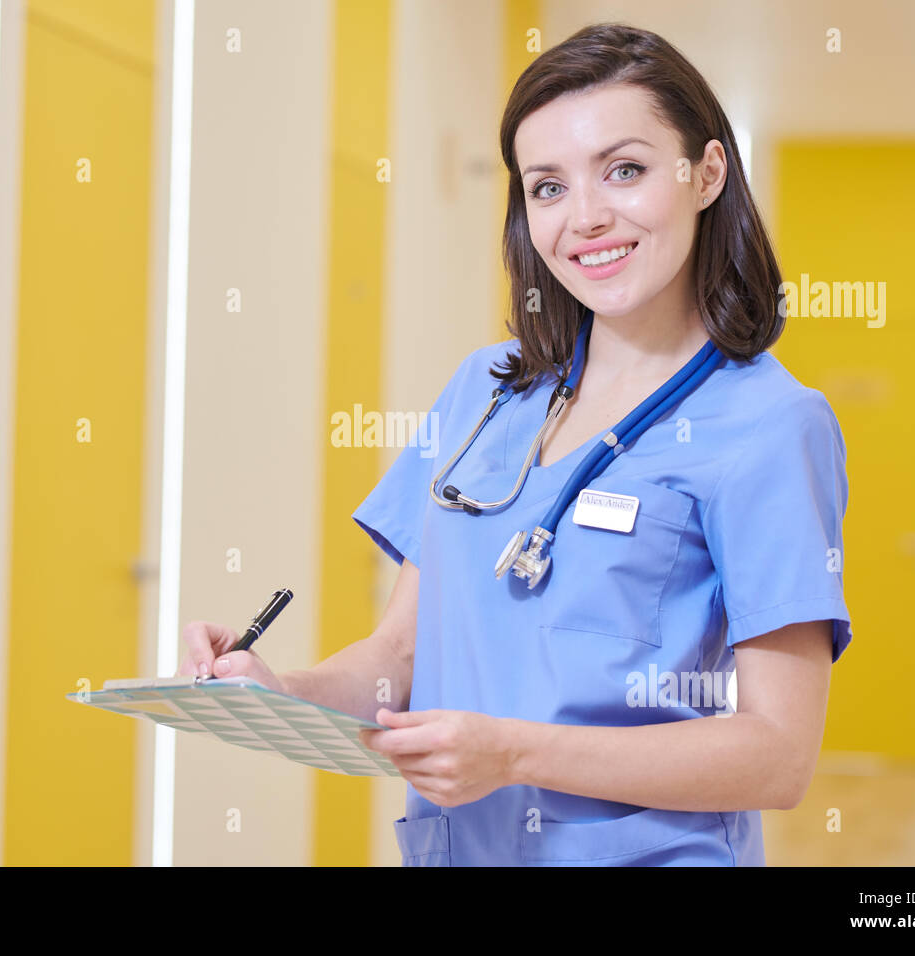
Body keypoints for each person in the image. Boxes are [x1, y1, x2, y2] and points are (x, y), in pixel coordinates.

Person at [177, 21, 851, 866]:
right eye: (547, 187)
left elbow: (778, 755)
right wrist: (283, 692)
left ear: (706, 172)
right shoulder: (487, 389)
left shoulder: (769, 424)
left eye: (626, 170)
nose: (587, 218)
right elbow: (403, 654)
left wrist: (516, 754)